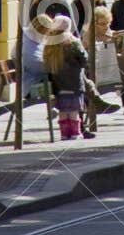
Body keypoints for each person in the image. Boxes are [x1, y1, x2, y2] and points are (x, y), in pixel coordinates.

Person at [36, 13, 92, 141]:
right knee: (73, 111)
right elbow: (84, 60)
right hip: (75, 83)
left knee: (62, 111)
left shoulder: (49, 44)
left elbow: (46, 64)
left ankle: (64, 133)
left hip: (58, 85)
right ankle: (75, 133)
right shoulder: (73, 42)